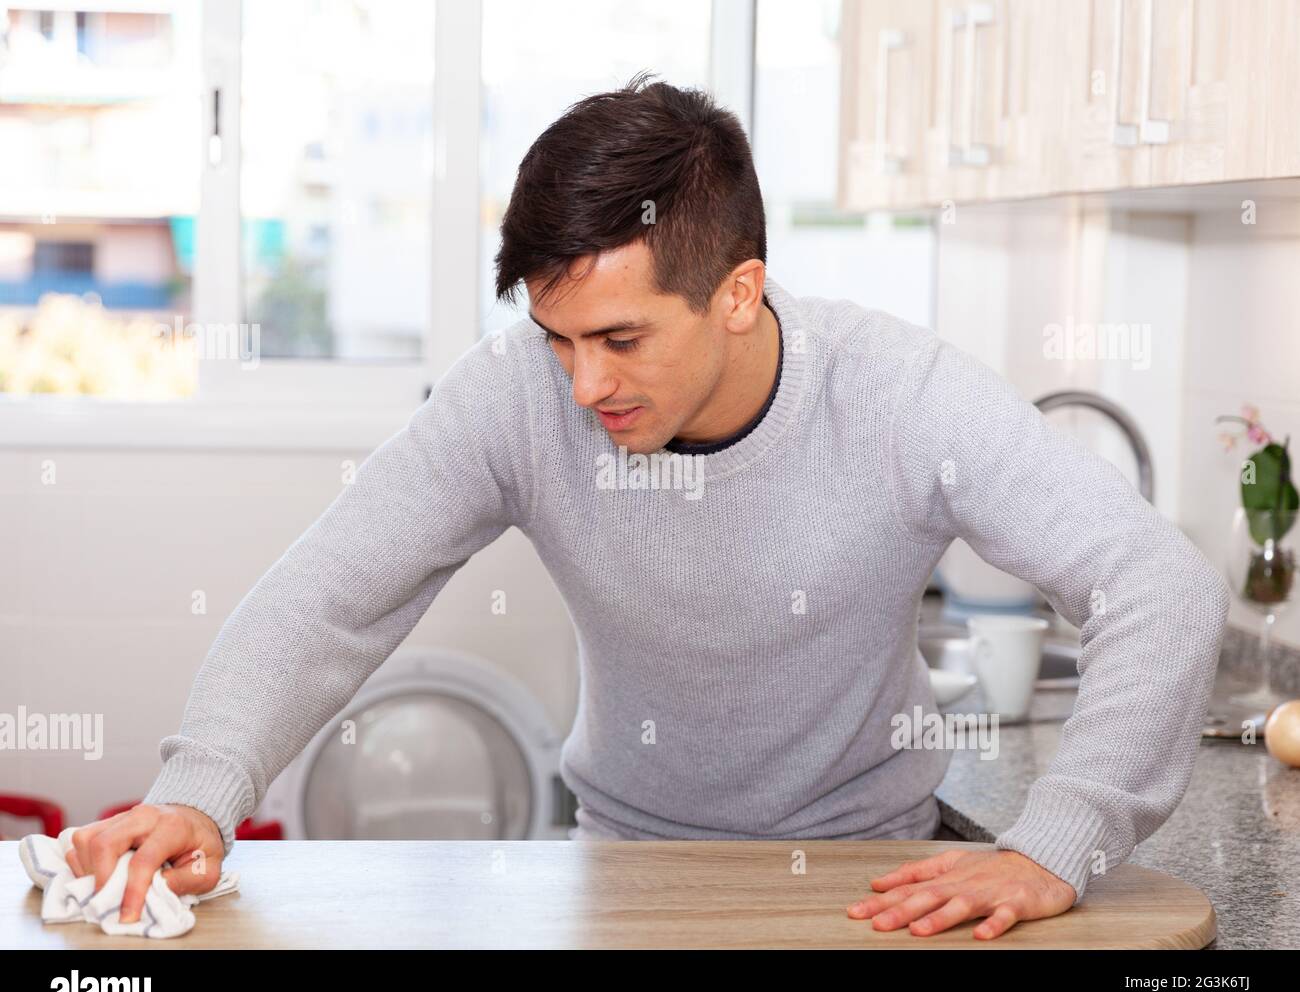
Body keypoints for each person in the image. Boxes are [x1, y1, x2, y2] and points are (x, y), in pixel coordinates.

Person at [67, 72, 1229, 940]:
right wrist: (199, 791)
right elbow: (330, 594)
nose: (584, 386)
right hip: (625, 871)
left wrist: (1058, 835)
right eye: (556, 337)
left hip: (876, 880)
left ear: (738, 292)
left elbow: (1157, 581)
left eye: (621, 338)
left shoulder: (897, 392)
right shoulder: (513, 396)